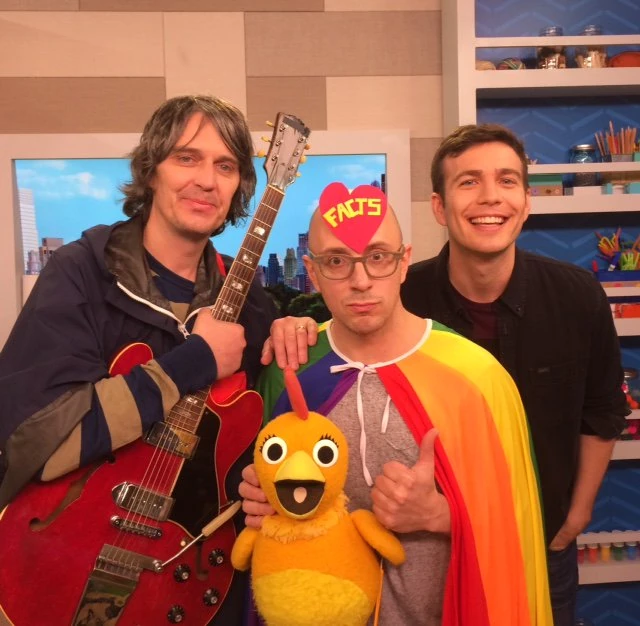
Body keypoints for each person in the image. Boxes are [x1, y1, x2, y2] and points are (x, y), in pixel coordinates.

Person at [0, 95, 278, 624]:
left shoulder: (251, 301)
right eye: (187, 158)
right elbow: (36, 438)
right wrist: (194, 361)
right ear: (151, 170)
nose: (206, 180)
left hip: (186, 575)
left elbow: (259, 439)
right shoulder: (81, 274)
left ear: (240, 186)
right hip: (66, 559)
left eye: (225, 166)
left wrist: (296, 332)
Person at [243, 189, 552, 625]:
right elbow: (258, 504)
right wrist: (256, 499)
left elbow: (518, 525)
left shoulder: (475, 377)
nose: (361, 280)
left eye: (378, 257)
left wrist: (441, 515)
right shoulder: (289, 370)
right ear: (312, 272)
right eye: (336, 261)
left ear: (404, 262)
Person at [399, 124, 629, 626]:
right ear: (439, 207)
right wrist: (295, 326)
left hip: (543, 547)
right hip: (429, 547)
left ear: (526, 202)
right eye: (468, 181)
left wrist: (576, 517)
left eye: (507, 180)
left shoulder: (577, 296)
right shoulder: (402, 297)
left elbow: (603, 413)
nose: (490, 197)